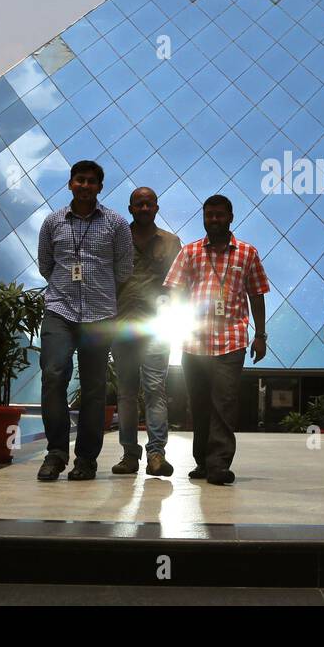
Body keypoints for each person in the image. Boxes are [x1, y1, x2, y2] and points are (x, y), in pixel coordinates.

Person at [35, 160, 133, 482]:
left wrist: (98, 291)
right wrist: (67, 286)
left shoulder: (116, 224)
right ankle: (56, 453)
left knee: (93, 389)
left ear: (100, 187)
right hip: (59, 310)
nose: (86, 185)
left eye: (92, 181)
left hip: (99, 315)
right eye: (80, 180)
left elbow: (123, 270)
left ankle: (86, 460)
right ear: (70, 184)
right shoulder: (52, 222)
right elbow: (46, 266)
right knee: (53, 375)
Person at [163, 194, 269, 486]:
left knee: (224, 402)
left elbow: (257, 294)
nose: (214, 220)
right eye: (209, 215)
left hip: (232, 340)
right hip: (194, 342)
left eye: (219, 215)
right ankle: (202, 461)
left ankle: (219, 463)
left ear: (230, 217)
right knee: (198, 404)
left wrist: (260, 335)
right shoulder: (190, 251)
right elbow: (173, 288)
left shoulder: (247, 253)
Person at [110, 186, 181, 478]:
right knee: (126, 393)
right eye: (138, 204)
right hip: (122, 326)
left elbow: (179, 284)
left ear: (156, 207)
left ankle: (156, 455)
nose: (143, 208)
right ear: (130, 208)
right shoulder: (117, 239)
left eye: (148, 204)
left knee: (155, 390)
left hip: (156, 327)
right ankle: (129, 455)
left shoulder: (171, 241)